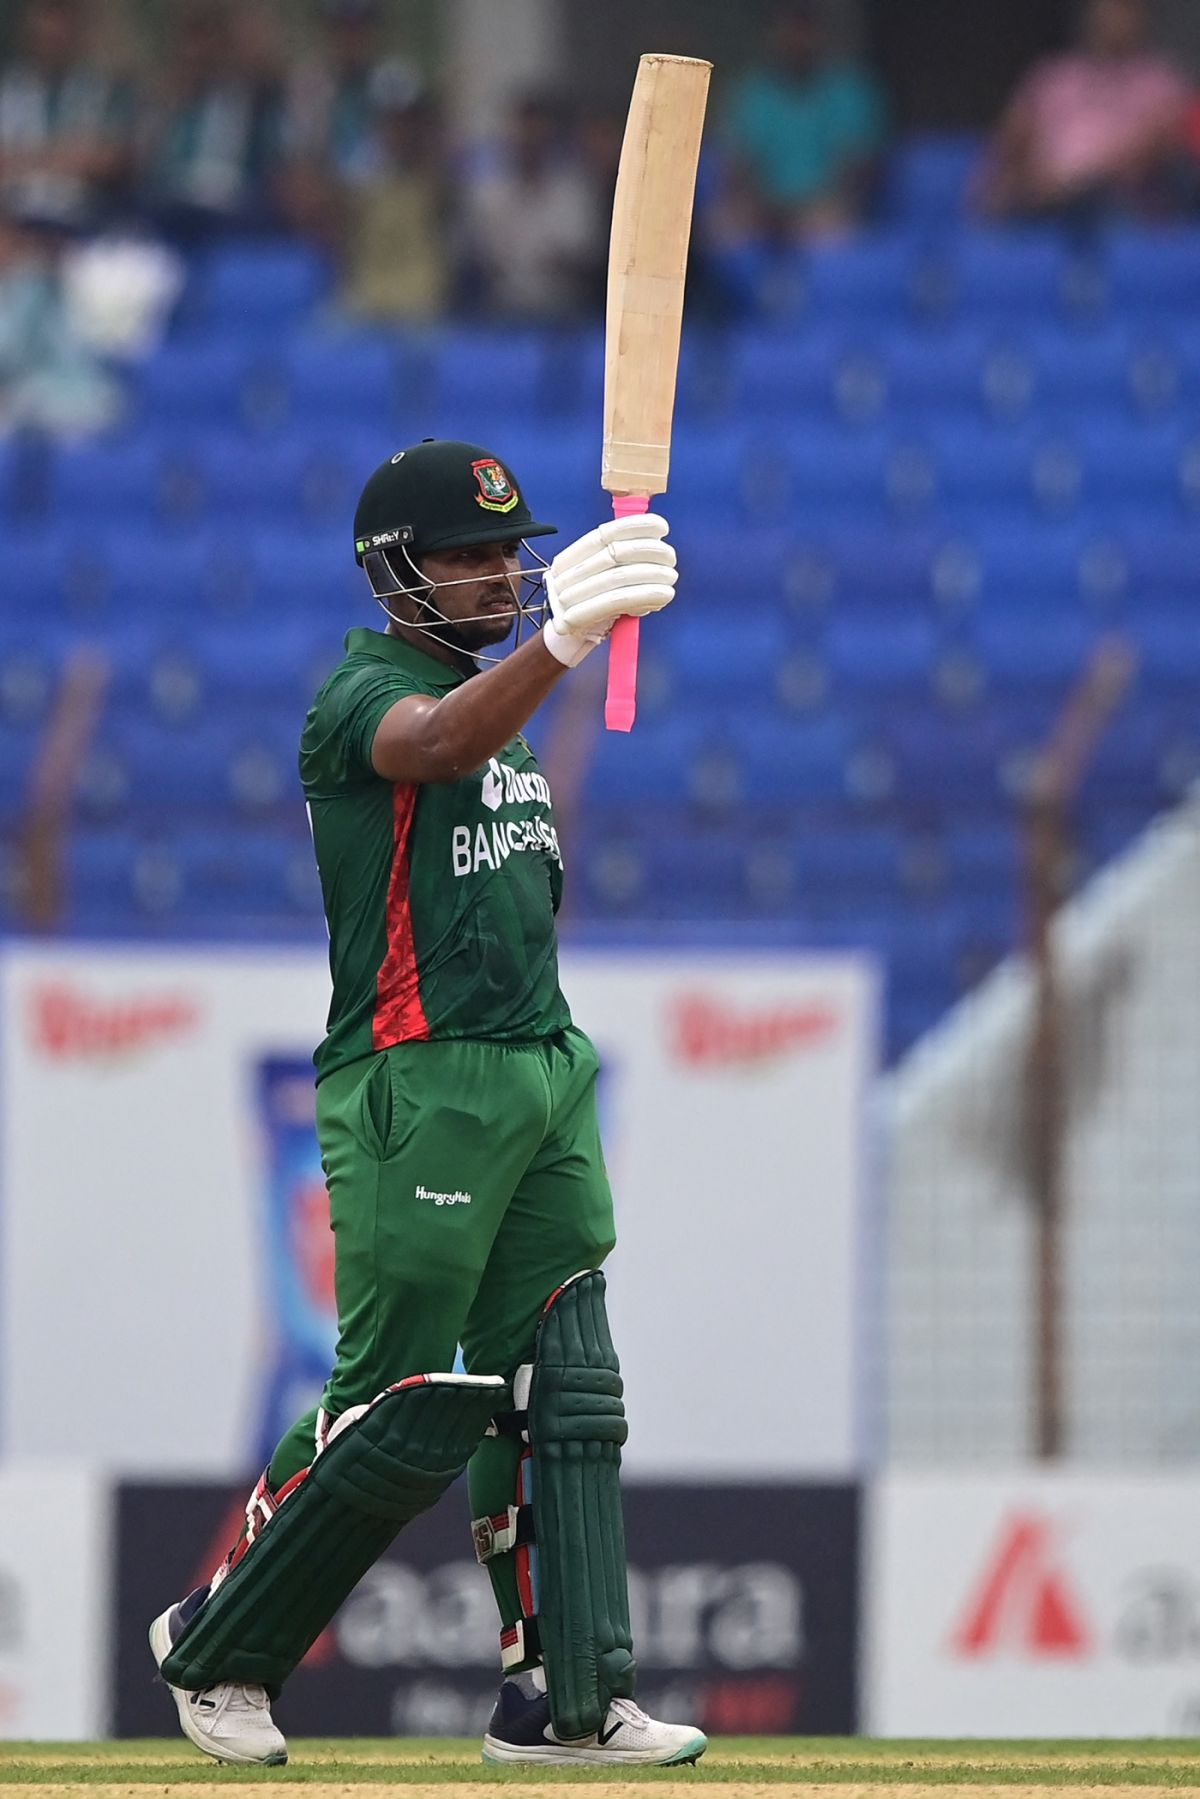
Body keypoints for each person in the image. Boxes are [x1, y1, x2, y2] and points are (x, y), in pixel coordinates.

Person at [147, 438, 706, 1769]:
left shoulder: (492, 693)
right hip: (418, 1076)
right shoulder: (365, 696)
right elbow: (439, 741)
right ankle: (216, 1642)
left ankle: (565, 1699)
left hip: (540, 1062)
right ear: (396, 573)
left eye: (510, 552)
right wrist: (569, 633)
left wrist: (556, 639)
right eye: (466, 555)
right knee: (402, 1391)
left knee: (563, 1379)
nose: (498, 573)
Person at [981, 0, 1190, 222]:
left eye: (1124, 11)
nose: (1114, 20)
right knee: (999, 209)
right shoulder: (1053, 75)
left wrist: (1077, 181)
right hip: (1042, 194)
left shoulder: (1162, 81)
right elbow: (1013, 139)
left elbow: (1153, 149)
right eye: (1106, 10)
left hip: (1119, 198)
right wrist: (1025, 178)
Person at [721, 0, 887, 241]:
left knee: (829, 232)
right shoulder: (753, 92)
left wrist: (821, 205)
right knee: (721, 230)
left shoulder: (850, 89)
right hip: (762, 208)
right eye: (788, 31)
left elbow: (864, 167)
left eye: (804, 31)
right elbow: (736, 163)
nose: (796, 40)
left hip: (825, 207)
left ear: (820, 34)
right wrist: (763, 205)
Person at [137, 0, 284, 244]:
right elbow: (142, 170)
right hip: (171, 210)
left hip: (230, 212)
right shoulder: (162, 102)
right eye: (190, 39)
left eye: (206, 38)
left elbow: (266, 60)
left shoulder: (251, 98)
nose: (196, 50)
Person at [458, 95, 602, 320]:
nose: (528, 142)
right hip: (502, 312)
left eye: (536, 134)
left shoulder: (573, 192)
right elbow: (479, 257)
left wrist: (557, 261)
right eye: (522, 133)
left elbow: (587, 255)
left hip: (566, 312)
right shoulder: (489, 193)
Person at [0, 0, 135, 235]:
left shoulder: (104, 93)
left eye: (61, 30)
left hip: (83, 221)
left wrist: (25, 159)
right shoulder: (8, 91)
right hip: (14, 222)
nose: (53, 38)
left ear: (77, 32)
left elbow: (111, 160)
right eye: (45, 31)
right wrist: (71, 155)